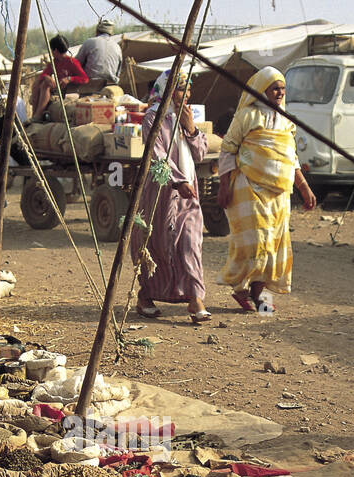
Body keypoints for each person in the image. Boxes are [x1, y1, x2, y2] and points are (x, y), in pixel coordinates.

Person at [216, 66, 316, 316]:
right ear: (262, 90)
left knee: (273, 244)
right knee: (254, 242)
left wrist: (303, 186)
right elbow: (228, 150)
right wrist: (224, 185)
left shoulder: (286, 120)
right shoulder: (246, 117)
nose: (280, 92)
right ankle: (240, 288)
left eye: (283, 88)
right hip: (248, 187)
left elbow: (290, 157)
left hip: (280, 192)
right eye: (275, 88)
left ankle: (259, 293)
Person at [131, 69, 210, 322]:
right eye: (179, 89)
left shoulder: (187, 118)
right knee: (156, 243)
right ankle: (146, 296)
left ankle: (196, 299)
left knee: (190, 241)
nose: (185, 94)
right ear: (166, 90)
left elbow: (199, 155)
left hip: (189, 194)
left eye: (187, 89)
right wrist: (178, 181)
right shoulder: (153, 118)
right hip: (161, 193)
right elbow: (157, 155)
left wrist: (191, 129)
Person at [31, 35, 89, 119]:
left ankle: (38, 114)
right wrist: (46, 77)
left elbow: (85, 79)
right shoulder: (54, 63)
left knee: (44, 85)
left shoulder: (72, 62)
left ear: (55, 51)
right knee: (38, 83)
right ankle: (35, 113)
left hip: (69, 90)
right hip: (58, 88)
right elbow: (44, 74)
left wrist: (70, 79)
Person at [76, 18, 122, 87]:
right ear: (111, 33)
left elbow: (77, 64)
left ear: (97, 31)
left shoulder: (89, 42)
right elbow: (118, 72)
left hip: (90, 85)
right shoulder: (117, 47)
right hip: (111, 86)